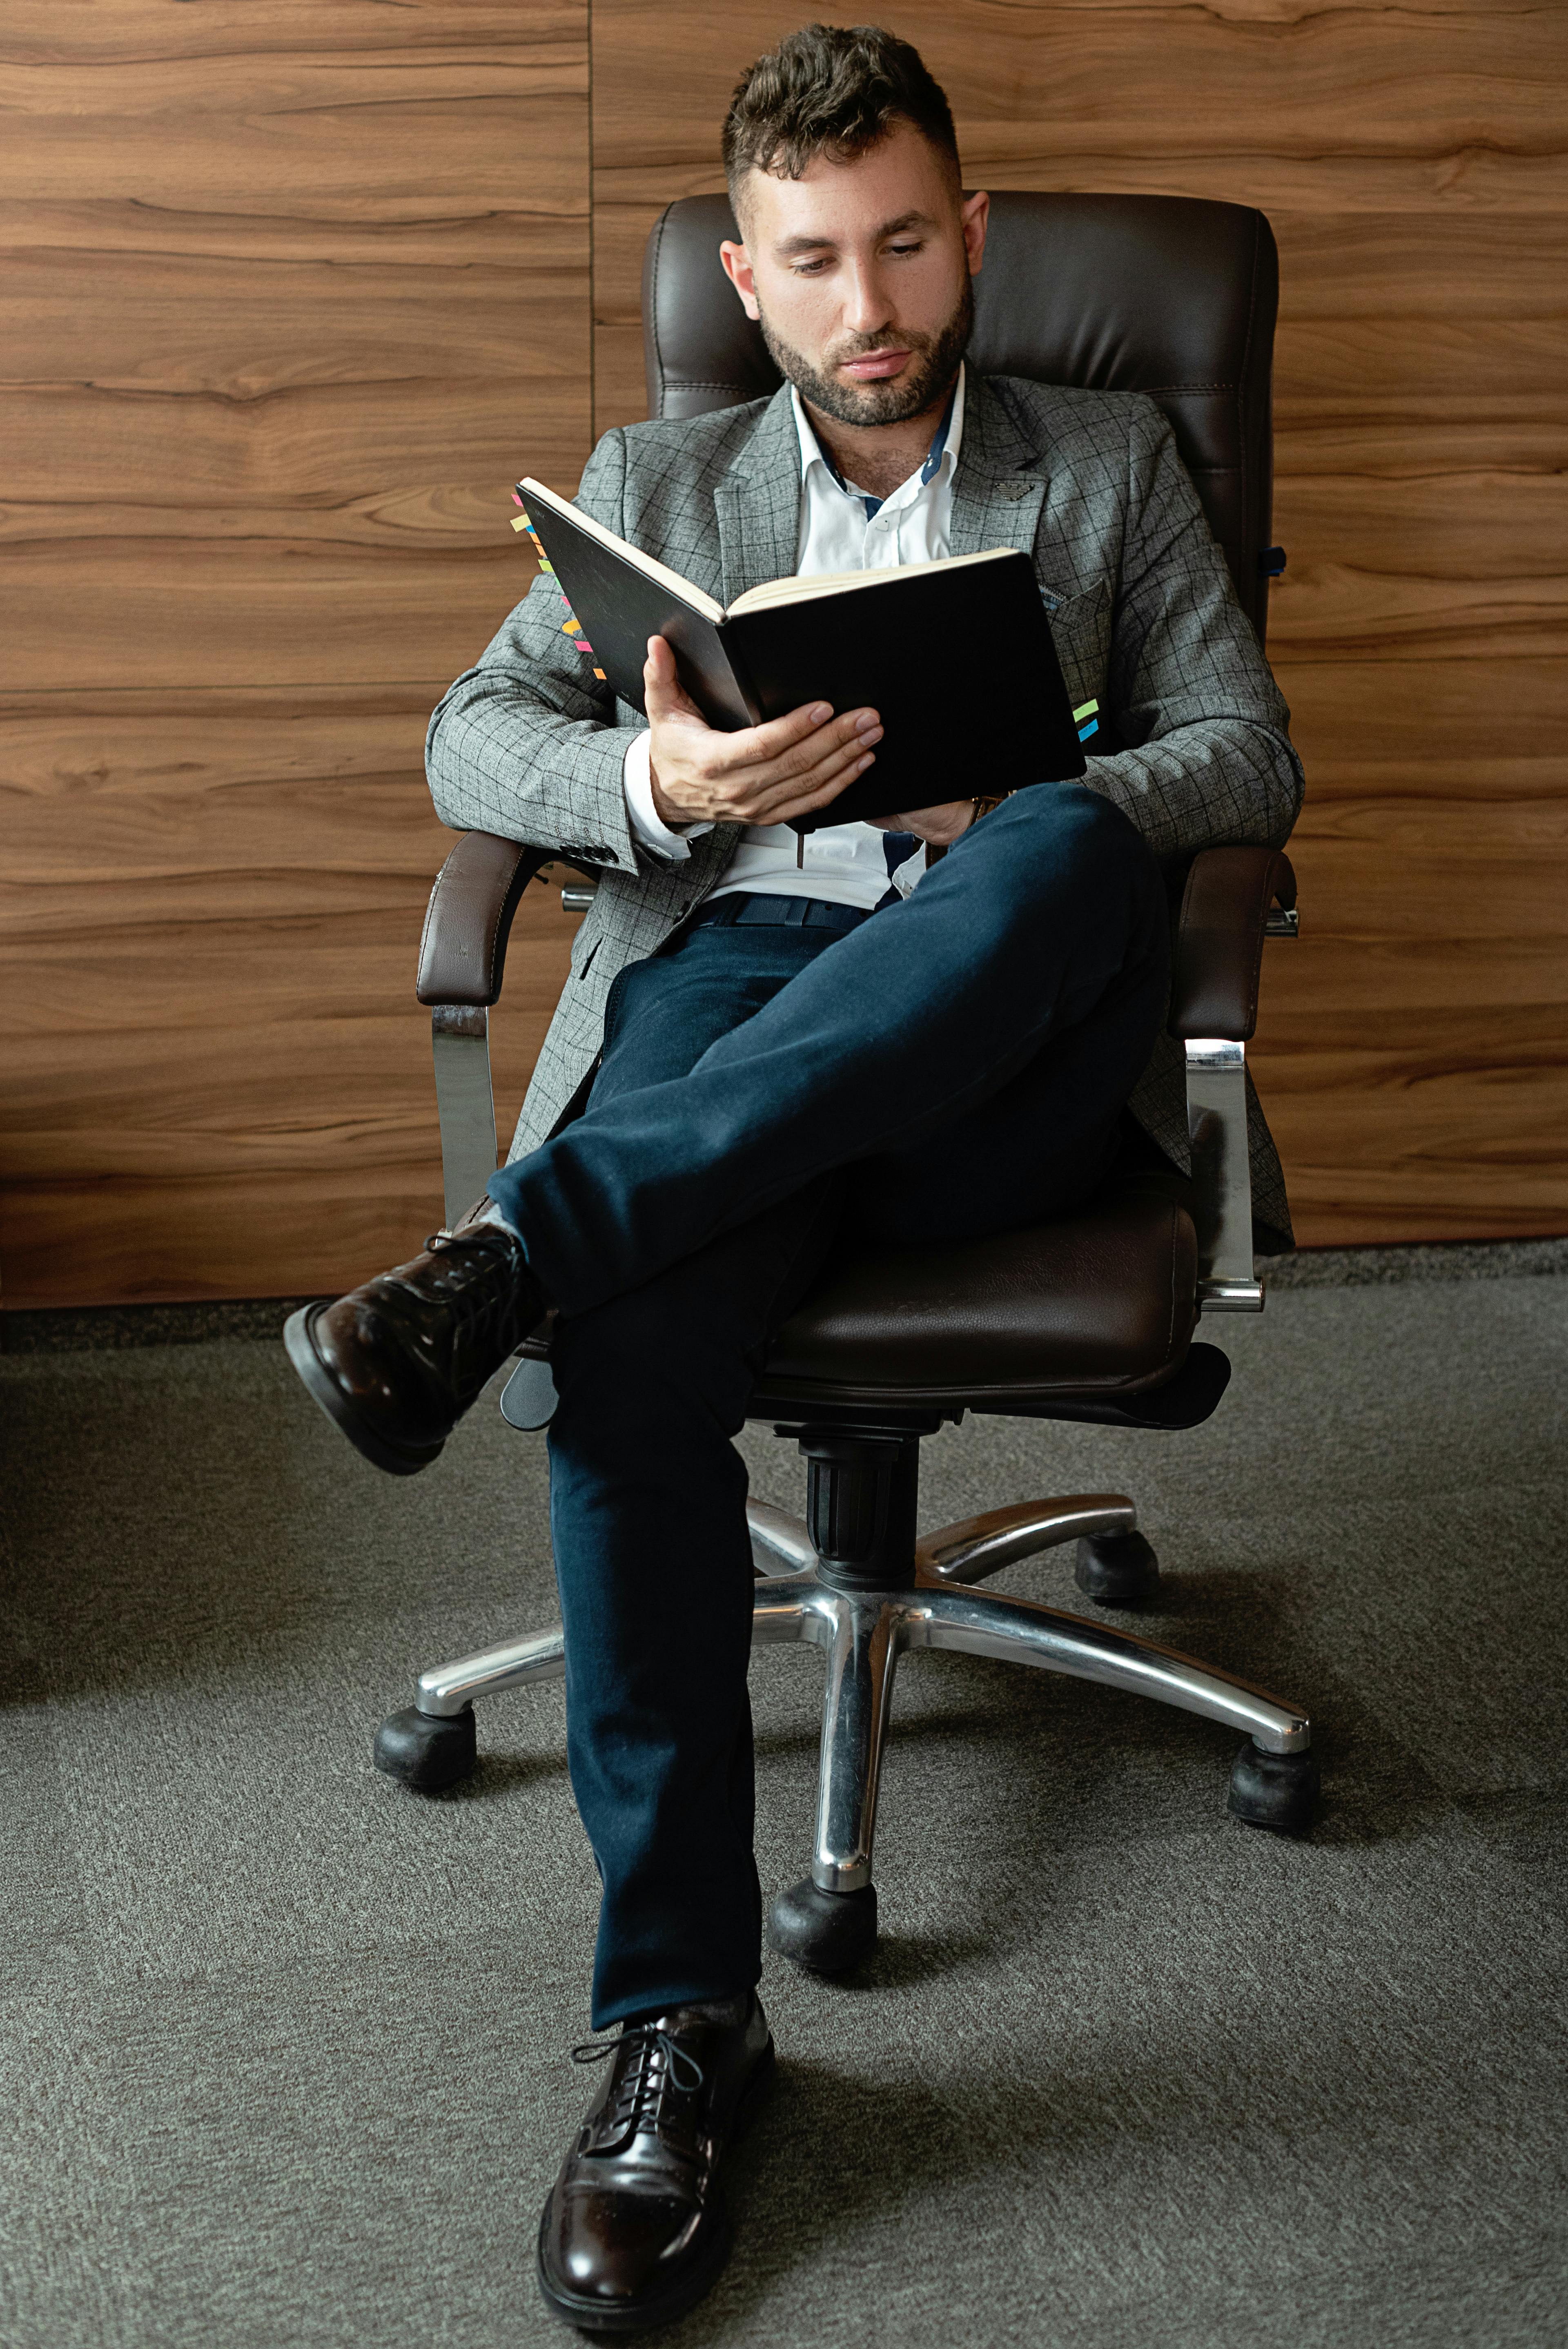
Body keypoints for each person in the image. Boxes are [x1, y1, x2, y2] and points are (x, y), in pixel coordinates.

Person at [286, 23, 1303, 2334]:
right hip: (730, 984)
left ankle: (500, 1257)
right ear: (746, 279)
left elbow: (1254, 743)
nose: (875, 304)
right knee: (636, 1352)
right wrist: (652, 776)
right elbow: (469, 733)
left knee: (1050, 844)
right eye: (818, 260)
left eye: (911, 245)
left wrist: (1024, 800)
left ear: (975, 240)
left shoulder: (1116, 465)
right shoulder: (664, 481)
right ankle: (680, 2028)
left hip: (997, 1047)